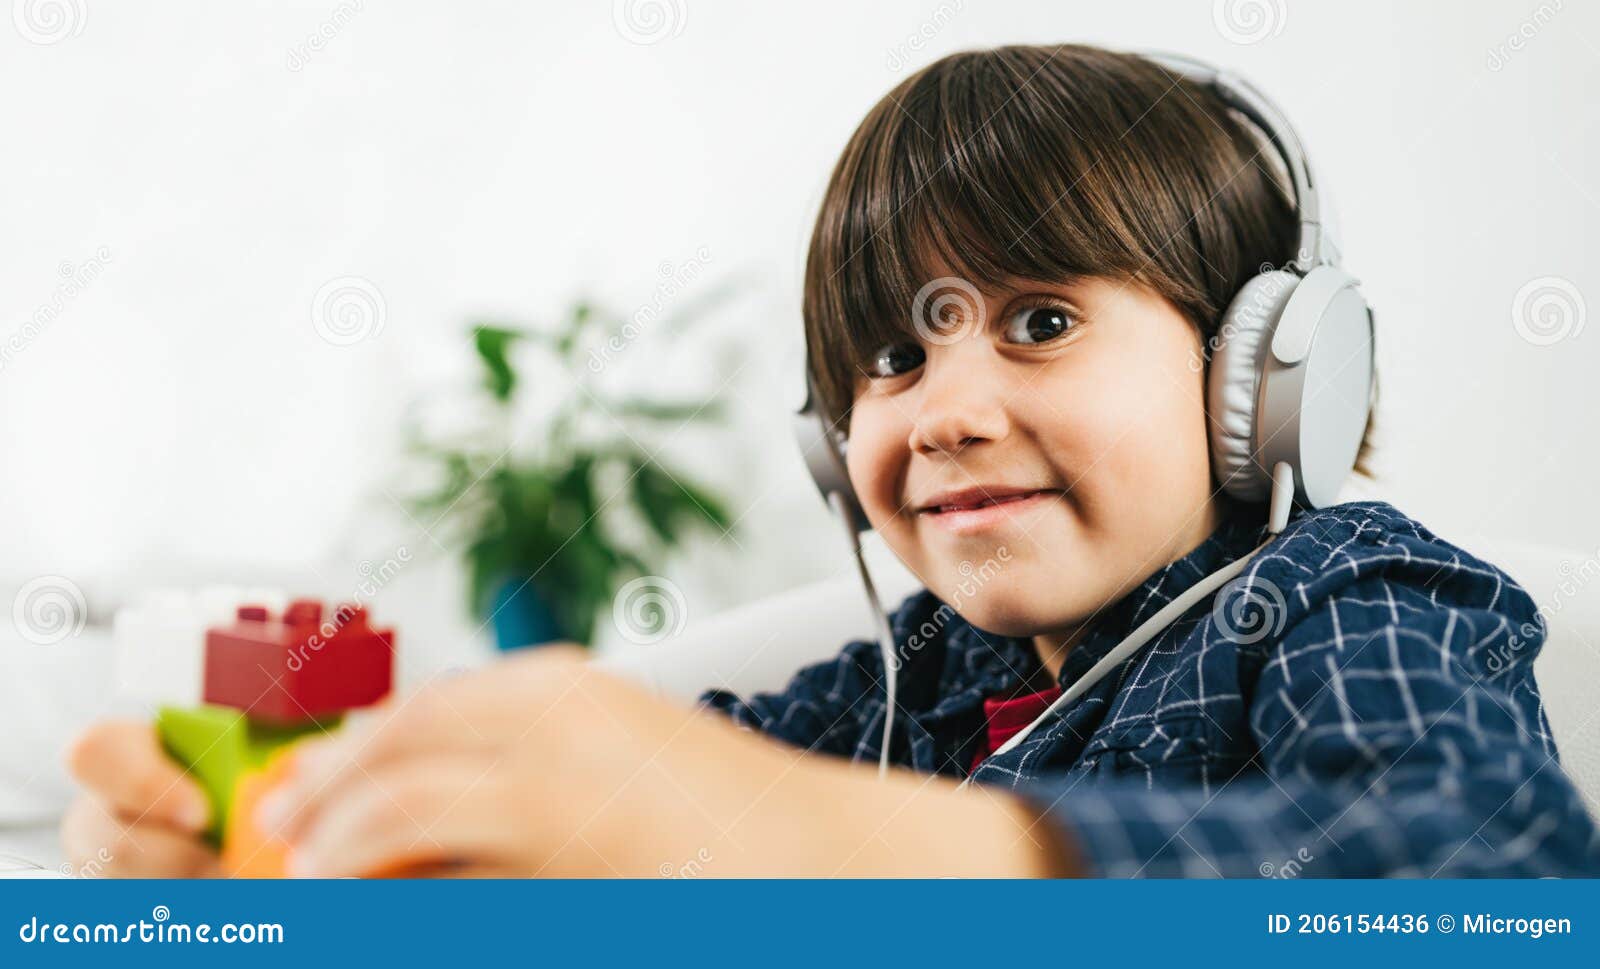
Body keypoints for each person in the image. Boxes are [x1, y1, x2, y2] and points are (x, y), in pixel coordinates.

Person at [62, 44, 1600, 878]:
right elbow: (641, 799)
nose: (940, 412)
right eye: (888, 356)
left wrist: (857, 845)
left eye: (1041, 320)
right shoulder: (904, 678)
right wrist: (326, 825)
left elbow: (1492, 866)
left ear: (1264, 376)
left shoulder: (1351, 594)